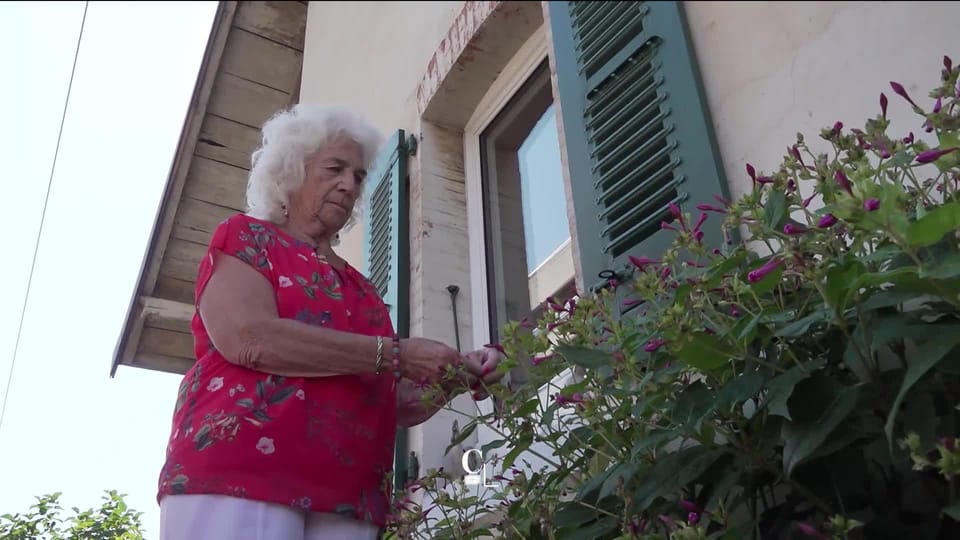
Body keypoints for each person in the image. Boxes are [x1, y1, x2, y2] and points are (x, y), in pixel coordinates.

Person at [157, 104, 505, 540]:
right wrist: (397, 354)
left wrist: (453, 375)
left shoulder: (361, 289)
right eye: (334, 169)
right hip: (242, 473)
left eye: (358, 177)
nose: (349, 185)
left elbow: (386, 402)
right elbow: (249, 337)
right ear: (291, 172)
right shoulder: (247, 238)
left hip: (350, 495)